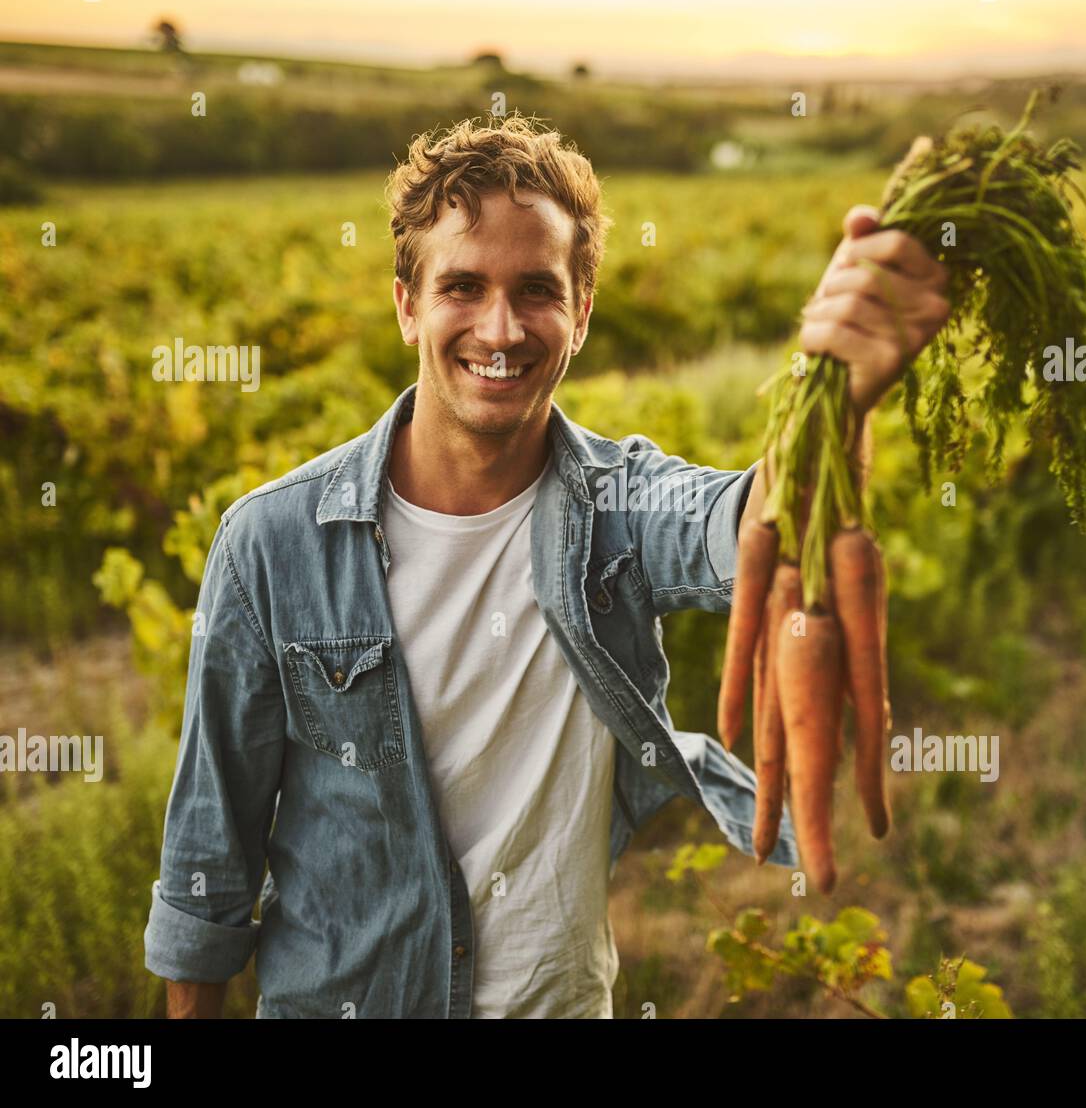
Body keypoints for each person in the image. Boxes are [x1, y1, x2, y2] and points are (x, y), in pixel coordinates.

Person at [143, 114, 949, 1019]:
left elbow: (766, 521)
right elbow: (208, 861)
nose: (501, 328)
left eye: (537, 289)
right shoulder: (273, 543)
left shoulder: (625, 507)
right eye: (462, 286)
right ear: (407, 304)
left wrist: (836, 387)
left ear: (583, 313)